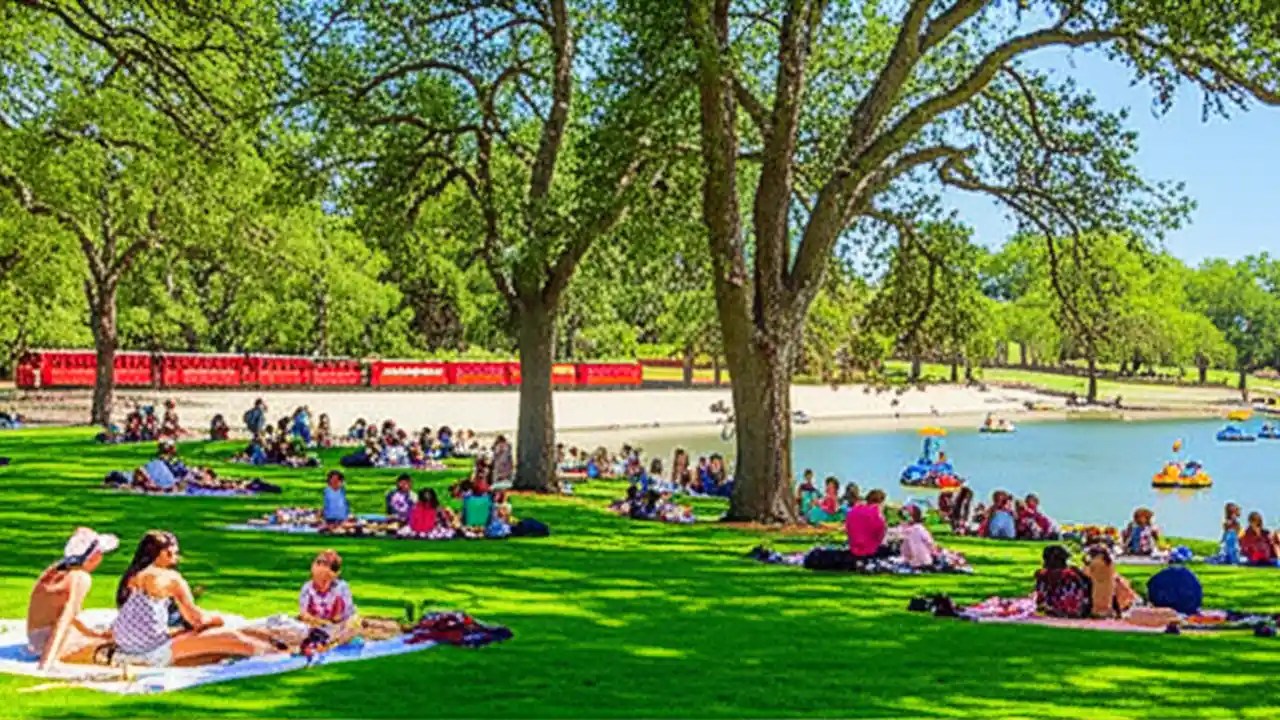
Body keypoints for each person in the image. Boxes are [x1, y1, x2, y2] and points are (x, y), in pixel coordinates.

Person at [113, 531, 276, 666]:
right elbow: (196, 620)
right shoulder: (170, 578)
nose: (177, 558)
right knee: (234, 638)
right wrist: (216, 619)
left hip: (126, 642)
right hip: (149, 648)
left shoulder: (133, 575)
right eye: (175, 553)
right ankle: (279, 654)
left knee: (212, 646)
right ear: (164, 553)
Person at [27, 528, 119, 670]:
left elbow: (62, 614)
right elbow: (64, 619)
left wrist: (92, 633)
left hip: (36, 638)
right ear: (93, 556)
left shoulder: (56, 570)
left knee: (106, 636)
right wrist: (47, 662)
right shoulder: (80, 578)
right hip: (49, 642)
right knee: (120, 648)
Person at [298, 549, 357, 644]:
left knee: (350, 627)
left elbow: (339, 617)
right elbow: (304, 615)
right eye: (317, 563)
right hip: (317, 625)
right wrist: (320, 622)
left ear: (333, 574)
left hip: (339, 626)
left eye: (324, 564)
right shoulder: (307, 588)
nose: (318, 568)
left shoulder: (340, 588)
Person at [1033, 545, 1091, 618]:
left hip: (1071, 608)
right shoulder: (1073, 572)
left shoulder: (1070, 574)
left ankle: (1056, 609)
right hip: (1078, 609)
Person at [1080, 545, 1136, 618]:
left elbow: (1086, 573)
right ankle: (1115, 612)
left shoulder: (1095, 563)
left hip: (1098, 588)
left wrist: (1085, 563)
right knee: (1110, 598)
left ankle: (1097, 613)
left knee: (1097, 601)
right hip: (1109, 586)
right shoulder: (1109, 562)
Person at [845, 489, 890, 560]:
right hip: (870, 553)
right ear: (881, 502)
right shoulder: (877, 514)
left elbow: (847, 528)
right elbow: (880, 536)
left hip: (853, 551)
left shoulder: (854, 510)